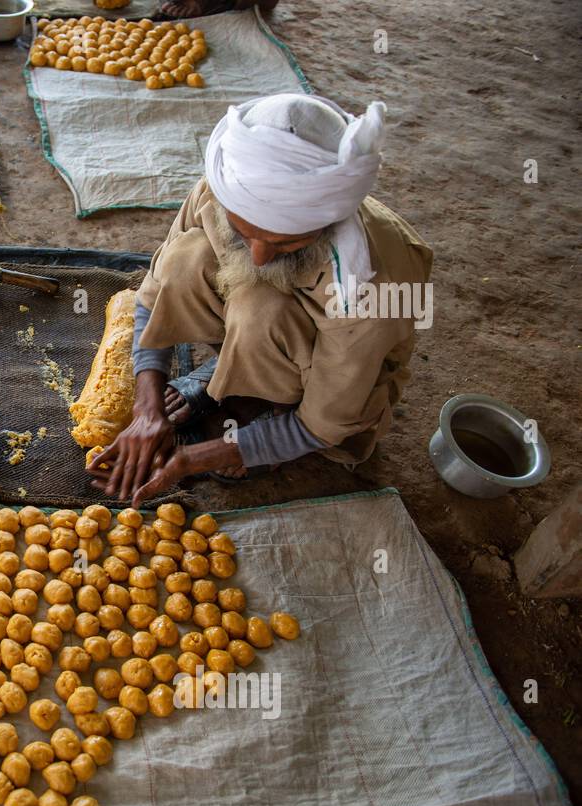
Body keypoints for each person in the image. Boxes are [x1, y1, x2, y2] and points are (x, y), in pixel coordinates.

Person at [90, 93, 433, 506]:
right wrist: (147, 409)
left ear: (326, 223)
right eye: (244, 231)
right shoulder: (223, 190)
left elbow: (326, 424)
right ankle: (229, 375)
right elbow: (154, 295)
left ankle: (265, 406)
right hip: (272, 334)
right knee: (188, 258)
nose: (259, 255)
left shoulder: (371, 286)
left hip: (337, 370)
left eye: (285, 242)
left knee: (260, 309)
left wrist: (189, 458)